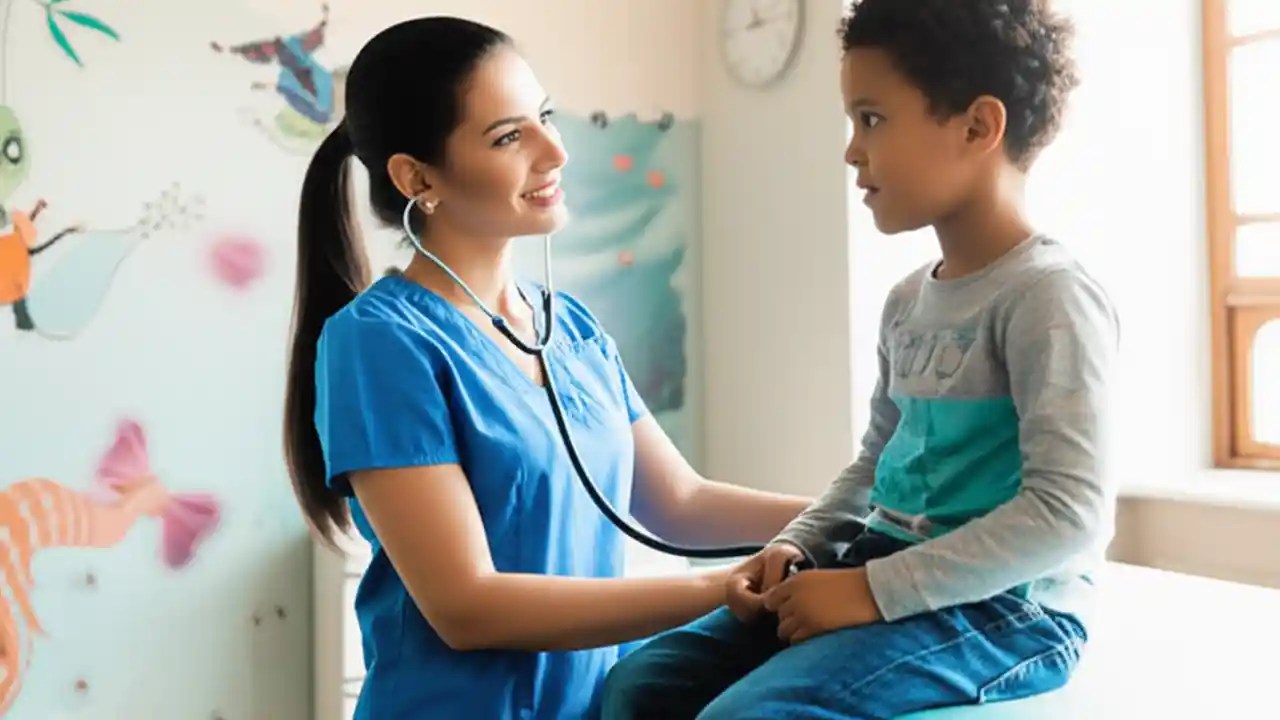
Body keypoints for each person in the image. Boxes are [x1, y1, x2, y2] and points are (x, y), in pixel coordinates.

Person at [280, 15, 813, 720]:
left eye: (546, 117)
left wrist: (849, 520)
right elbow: (466, 605)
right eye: (508, 137)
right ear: (418, 177)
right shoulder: (379, 343)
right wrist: (723, 590)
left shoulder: (572, 326)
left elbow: (677, 503)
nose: (555, 150)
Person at [601, 1, 1119, 717]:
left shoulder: (1048, 296)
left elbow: (1068, 514)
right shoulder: (909, 301)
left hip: (1008, 611)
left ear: (977, 126)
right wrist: (797, 544)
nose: (851, 149)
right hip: (883, 563)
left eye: (871, 119)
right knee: (640, 685)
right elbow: (877, 463)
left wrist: (870, 593)